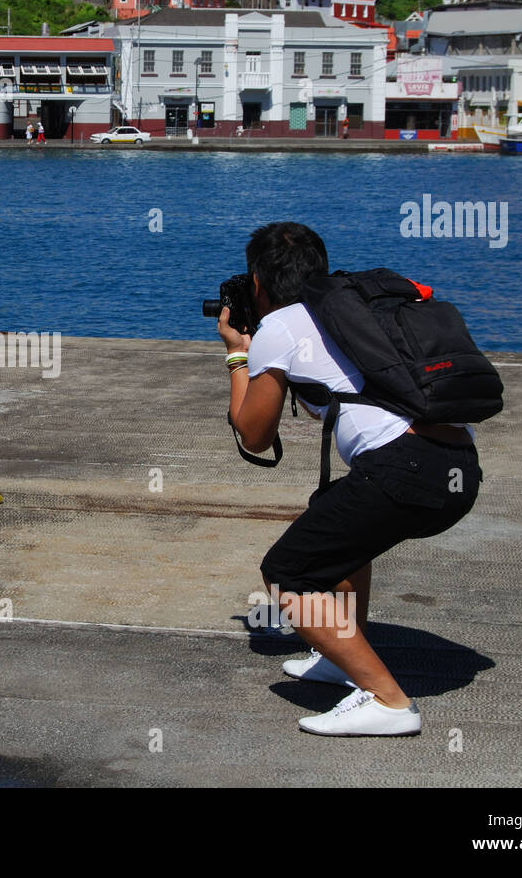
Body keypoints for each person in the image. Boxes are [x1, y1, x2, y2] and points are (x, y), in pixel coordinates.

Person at [221, 221, 481, 736]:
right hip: (457, 465)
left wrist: (236, 352)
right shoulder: (356, 310)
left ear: (257, 281)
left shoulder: (282, 326)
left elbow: (253, 434)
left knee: (289, 571)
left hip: (406, 468)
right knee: (338, 529)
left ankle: (388, 703)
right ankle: (343, 655)